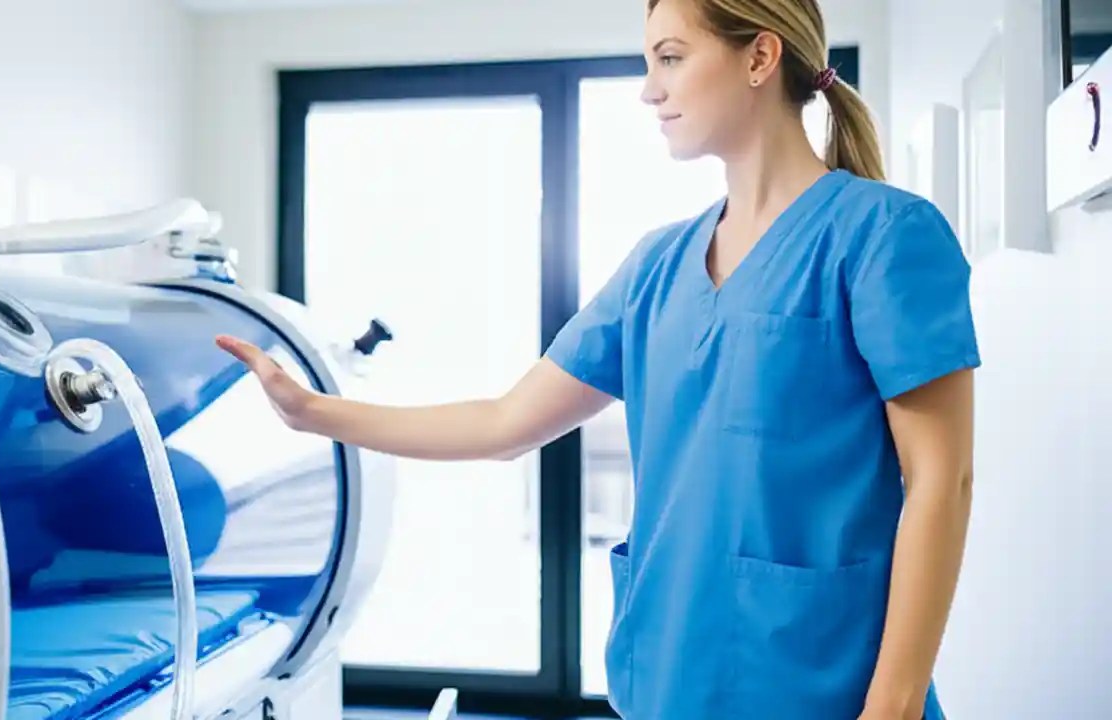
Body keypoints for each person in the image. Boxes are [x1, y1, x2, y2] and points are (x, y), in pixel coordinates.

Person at [216, 0, 979, 717]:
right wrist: (317, 411)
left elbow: (941, 479)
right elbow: (505, 422)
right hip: (670, 676)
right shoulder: (658, 264)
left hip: (825, 682)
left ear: (760, 58)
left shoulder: (883, 235)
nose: (650, 90)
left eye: (671, 58)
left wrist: (893, 705)